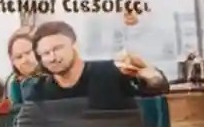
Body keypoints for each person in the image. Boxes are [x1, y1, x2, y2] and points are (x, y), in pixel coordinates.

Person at [28, 20, 168, 110]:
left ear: (75, 45)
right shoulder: (39, 91)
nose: (53, 57)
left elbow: (158, 89)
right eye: (46, 53)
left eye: (58, 48)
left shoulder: (109, 73)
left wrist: (151, 76)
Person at [4, 28, 42, 103]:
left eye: (28, 53)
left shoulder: (52, 78)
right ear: (13, 61)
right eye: (19, 57)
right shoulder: (13, 84)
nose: (25, 60)